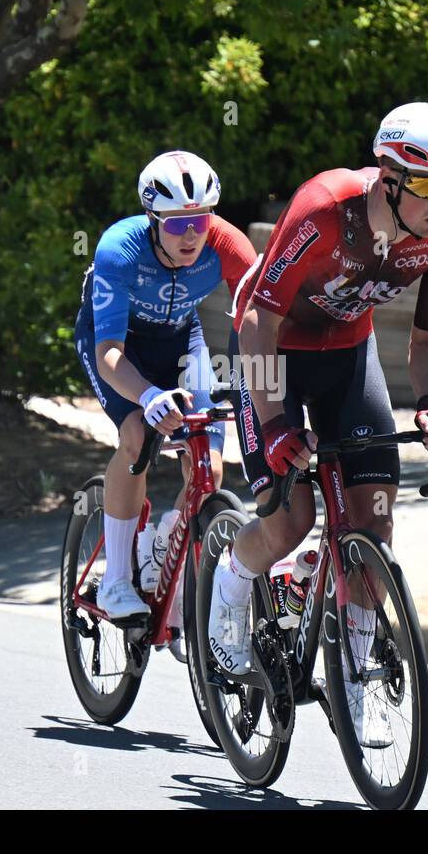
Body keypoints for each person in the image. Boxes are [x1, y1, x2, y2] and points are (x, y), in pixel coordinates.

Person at [214, 102, 428, 745]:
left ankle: (356, 678)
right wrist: (274, 423)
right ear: (389, 176)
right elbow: (257, 322)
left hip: (348, 358)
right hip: (273, 353)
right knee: (291, 520)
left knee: (375, 522)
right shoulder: (323, 209)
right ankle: (229, 587)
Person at [73, 150, 255, 620]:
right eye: (176, 224)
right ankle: (115, 581)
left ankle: (163, 548)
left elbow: (258, 321)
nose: (192, 234)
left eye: (200, 219)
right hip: (118, 346)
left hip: (180, 340)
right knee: (137, 437)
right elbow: (109, 354)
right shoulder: (120, 248)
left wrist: (253, 381)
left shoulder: (229, 245)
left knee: (209, 472)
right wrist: (149, 395)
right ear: (153, 219)